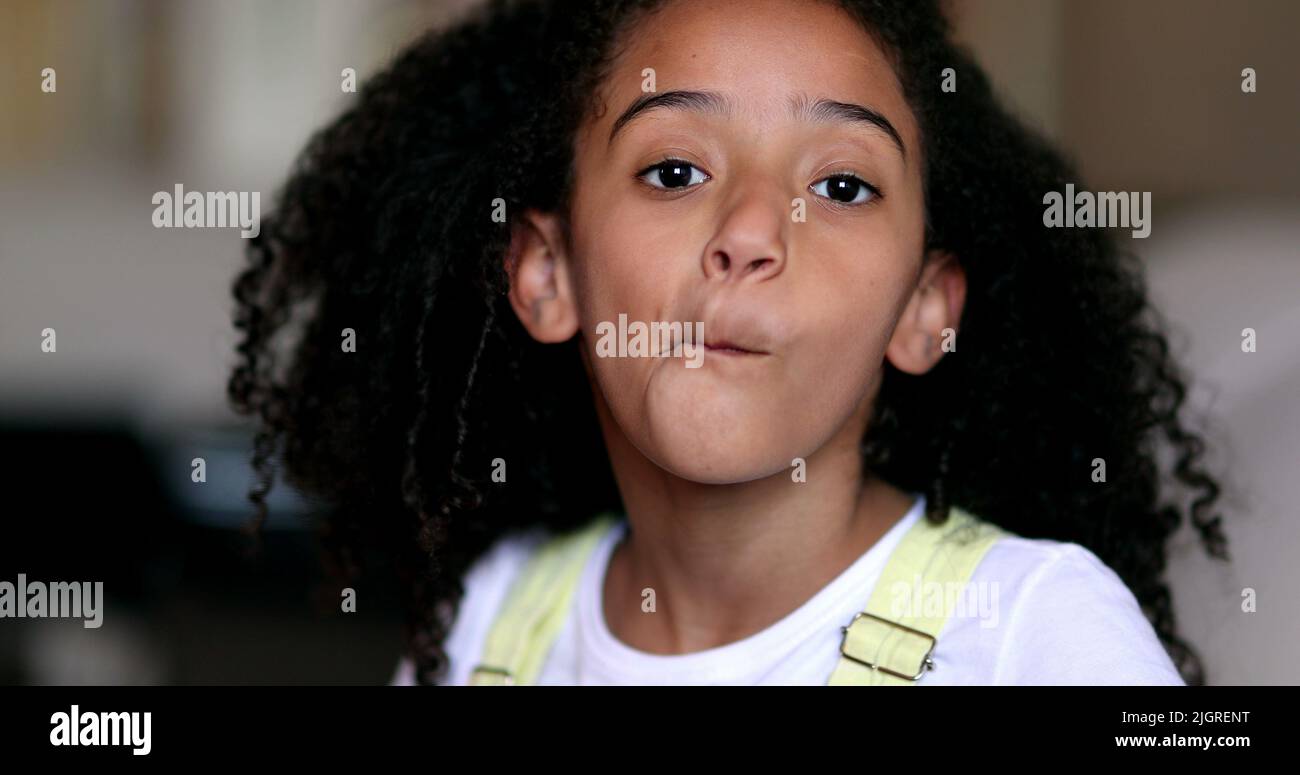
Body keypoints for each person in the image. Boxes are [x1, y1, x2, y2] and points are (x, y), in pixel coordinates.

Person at [228, 0, 1228, 685]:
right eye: (673, 171)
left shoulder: (1031, 631)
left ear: (925, 309)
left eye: (840, 185)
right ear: (548, 275)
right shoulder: (494, 619)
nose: (750, 232)